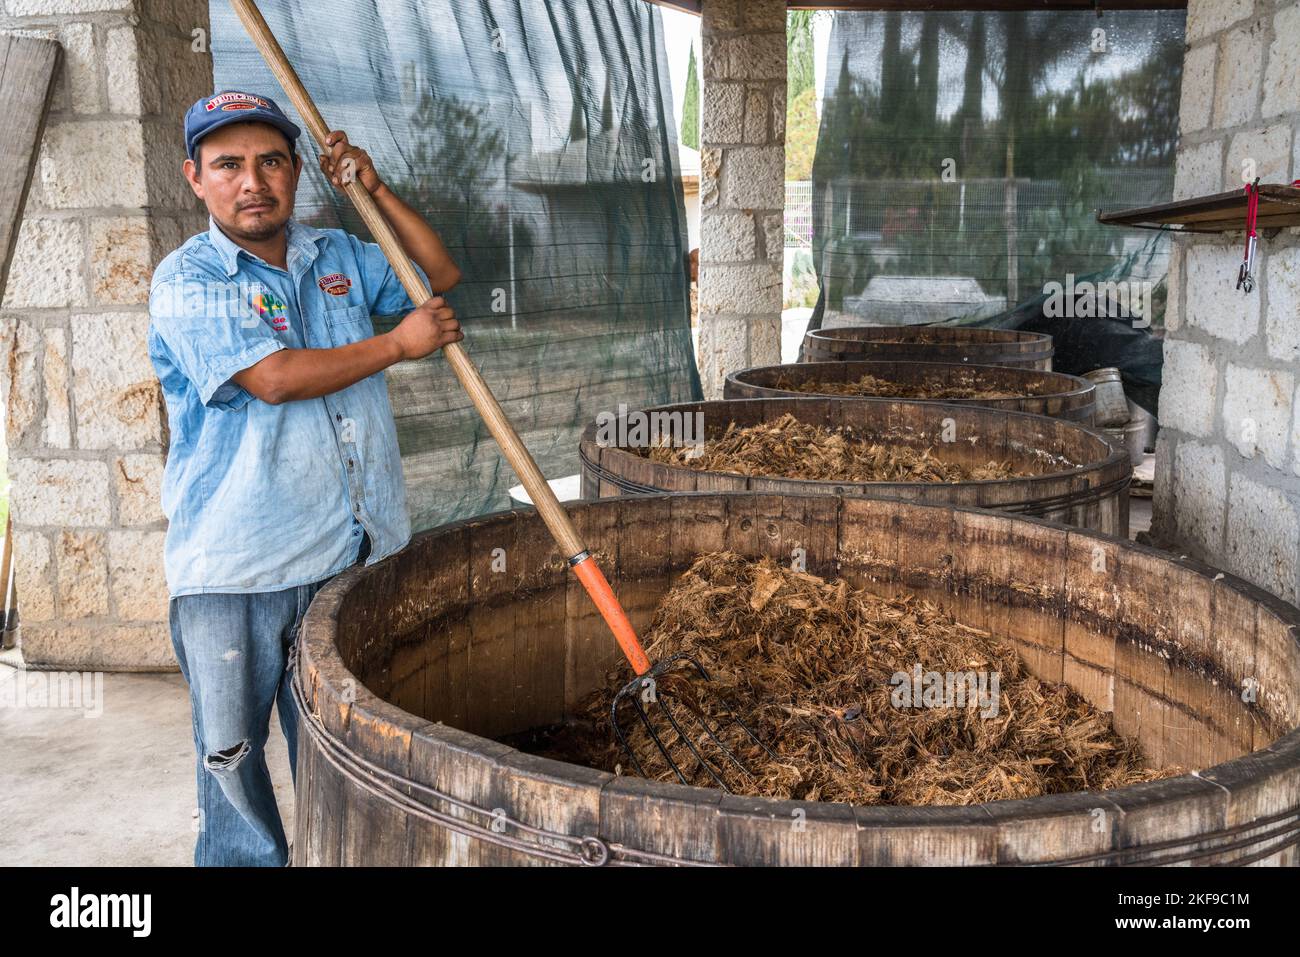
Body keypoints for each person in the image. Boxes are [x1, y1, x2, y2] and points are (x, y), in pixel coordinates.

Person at [147, 89, 463, 866]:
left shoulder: (340, 257)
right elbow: (275, 377)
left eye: (270, 161)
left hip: (344, 557)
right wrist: (398, 345)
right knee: (231, 759)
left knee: (340, 750)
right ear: (195, 177)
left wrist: (377, 192)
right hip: (236, 568)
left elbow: (438, 273)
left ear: (296, 172)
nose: (251, 181)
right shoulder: (188, 280)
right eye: (228, 165)